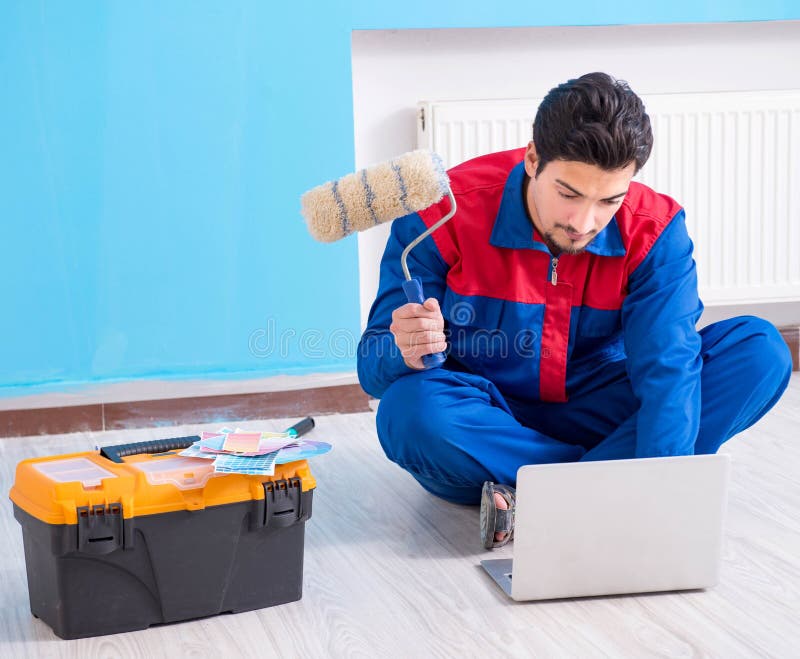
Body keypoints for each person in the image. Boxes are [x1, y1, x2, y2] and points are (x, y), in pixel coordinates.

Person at [356, 72, 793, 549]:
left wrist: (663, 488)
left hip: (595, 403)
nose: (583, 222)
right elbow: (372, 371)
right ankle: (605, 481)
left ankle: (542, 497)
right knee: (409, 411)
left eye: (608, 200)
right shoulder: (440, 214)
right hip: (484, 418)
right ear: (532, 159)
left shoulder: (654, 231)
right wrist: (403, 348)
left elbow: (667, 369)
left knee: (760, 351)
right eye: (568, 194)